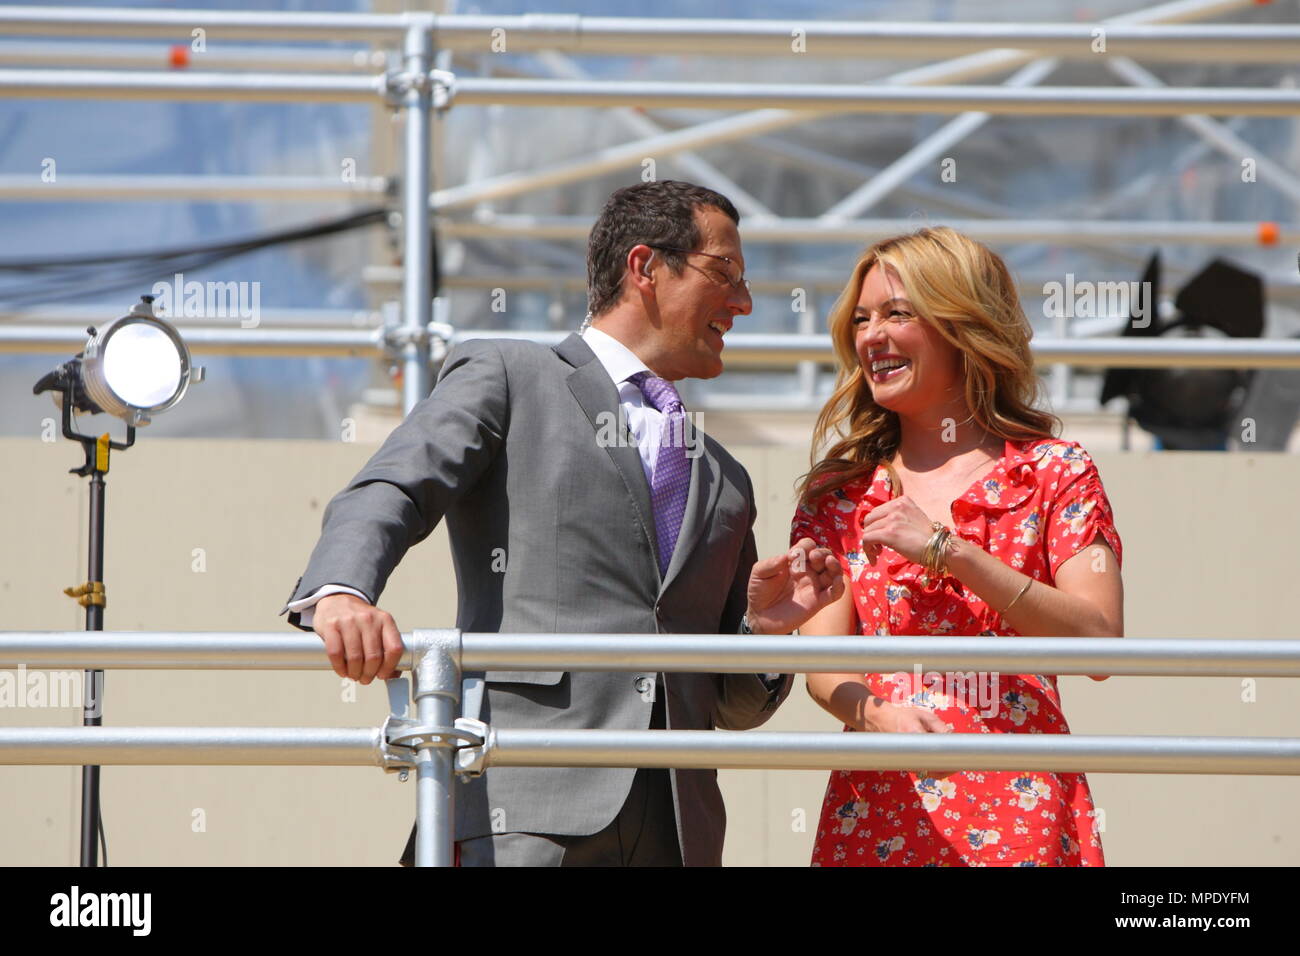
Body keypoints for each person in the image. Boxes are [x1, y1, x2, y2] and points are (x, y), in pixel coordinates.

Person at [281, 180, 843, 867]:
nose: (744, 302)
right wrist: (343, 589)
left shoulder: (725, 478)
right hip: (521, 805)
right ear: (644, 267)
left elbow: (731, 705)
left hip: (676, 833)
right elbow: (393, 485)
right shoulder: (511, 375)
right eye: (724, 272)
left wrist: (763, 632)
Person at [791, 227, 1123, 867]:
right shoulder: (838, 493)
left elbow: (1101, 642)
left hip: (1023, 799)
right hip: (882, 801)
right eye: (861, 319)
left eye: (897, 313)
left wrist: (950, 551)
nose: (872, 337)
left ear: (961, 325)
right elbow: (824, 668)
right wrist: (879, 718)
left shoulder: (1056, 472)